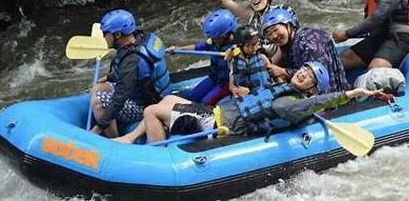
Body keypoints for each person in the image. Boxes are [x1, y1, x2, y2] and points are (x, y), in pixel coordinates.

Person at [114, 61, 380, 144]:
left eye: (308, 76)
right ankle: (132, 137)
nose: (302, 73)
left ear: (312, 88)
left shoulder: (289, 103)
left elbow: (311, 105)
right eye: (303, 69)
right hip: (215, 112)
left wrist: (349, 95)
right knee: (170, 97)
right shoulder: (285, 87)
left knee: (152, 110)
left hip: (216, 124)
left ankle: (155, 151)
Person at [90, 9, 171, 138]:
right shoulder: (141, 38)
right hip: (141, 91)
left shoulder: (132, 60)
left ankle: (114, 140)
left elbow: (119, 99)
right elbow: (134, 74)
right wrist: (109, 77)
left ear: (117, 35)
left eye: (105, 34)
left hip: (146, 105)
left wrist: (97, 128)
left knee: (98, 102)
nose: (103, 37)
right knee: (97, 88)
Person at [261, 8, 350, 93]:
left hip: (330, 95)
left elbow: (315, 76)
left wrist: (283, 72)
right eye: (269, 34)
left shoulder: (310, 42)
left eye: (276, 30)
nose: (274, 36)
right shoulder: (288, 42)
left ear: (288, 26)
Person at [166, 9, 237, 106]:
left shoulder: (238, 47)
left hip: (226, 84)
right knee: (191, 97)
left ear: (226, 34)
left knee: (205, 102)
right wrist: (177, 49)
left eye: (215, 37)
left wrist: (235, 55)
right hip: (214, 78)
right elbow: (198, 47)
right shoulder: (215, 41)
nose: (212, 39)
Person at [228, 25, 273, 98]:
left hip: (268, 91)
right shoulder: (235, 63)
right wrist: (237, 90)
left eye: (257, 43)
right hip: (251, 96)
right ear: (241, 46)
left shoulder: (262, 57)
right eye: (252, 45)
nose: (256, 47)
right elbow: (231, 85)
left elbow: (273, 73)